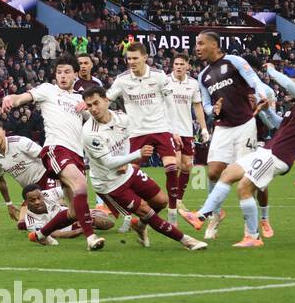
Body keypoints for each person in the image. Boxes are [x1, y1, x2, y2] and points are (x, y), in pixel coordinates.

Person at [50, 87, 207, 251]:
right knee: (145, 210)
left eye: (96, 103)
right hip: (109, 182)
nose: (94, 109)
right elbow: (108, 162)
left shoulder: (122, 118)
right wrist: (136, 155)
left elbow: (127, 138)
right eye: (89, 106)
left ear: (106, 100)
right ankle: (187, 240)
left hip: (128, 172)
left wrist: (126, 158)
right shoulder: (90, 133)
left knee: (161, 201)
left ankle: (139, 226)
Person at [195, 65, 295, 247]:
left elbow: (289, 85)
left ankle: (253, 236)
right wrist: (265, 110)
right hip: (268, 151)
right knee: (228, 173)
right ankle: (201, 214)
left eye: (293, 86)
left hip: (278, 156)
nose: (287, 91)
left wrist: (271, 72)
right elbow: (279, 125)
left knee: (244, 188)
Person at [0, 54, 104, 250]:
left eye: (67, 72)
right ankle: (91, 237)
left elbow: (99, 118)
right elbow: (24, 97)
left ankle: (41, 234)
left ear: (75, 75)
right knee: (81, 184)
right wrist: (11, 98)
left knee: (73, 211)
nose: (62, 76)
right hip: (56, 149)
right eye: (59, 72)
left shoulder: (79, 99)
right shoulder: (48, 90)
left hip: (76, 154)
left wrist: (90, 106)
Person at [196, 32, 275, 240]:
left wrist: (262, 96)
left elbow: (255, 81)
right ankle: (216, 212)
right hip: (223, 127)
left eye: (201, 43)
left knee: (249, 178)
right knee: (213, 172)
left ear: (214, 45)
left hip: (245, 124)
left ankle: (257, 223)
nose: (197, 48)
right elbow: (205, 106)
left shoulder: (234, 61)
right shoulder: (202, 75)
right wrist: (213, 109)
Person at [106, 42, 180, 234]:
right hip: (137, 133)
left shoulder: (158, 76)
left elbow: (170, 103)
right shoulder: (122, 80)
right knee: (128, 176)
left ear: (145, 57)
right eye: (128, 59)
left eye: (135, 58)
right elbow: (106, 100)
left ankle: (172, 211)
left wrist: (175, 130)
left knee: (172, 167)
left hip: (160, 128)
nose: (131, 62)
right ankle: (133, 214)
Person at [164, 52, 210, 224]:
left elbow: (197, 106)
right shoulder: (166, 81)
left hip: (187, 131)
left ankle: (178, 199)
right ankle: (172, 203)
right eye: (176, 64)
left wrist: (204, 128)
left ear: (188, 66)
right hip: (169, 129)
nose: (178, 67)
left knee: (187, 166)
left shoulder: (192, 84)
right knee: (174, 164)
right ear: (172, 65)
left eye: (182, 64)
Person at [16, 183, 115, 241]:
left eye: (39, 198)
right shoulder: (31, 222)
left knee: (109, 222)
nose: (37, 202)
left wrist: (70, 202)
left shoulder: (48, 194)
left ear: (42, 195)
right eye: (32, 200)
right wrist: (81, 230)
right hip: (71, 227)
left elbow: (70, 188)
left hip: (72, 213)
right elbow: (56, 234)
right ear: (25, 202)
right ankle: (87, 223)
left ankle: (89, 220)